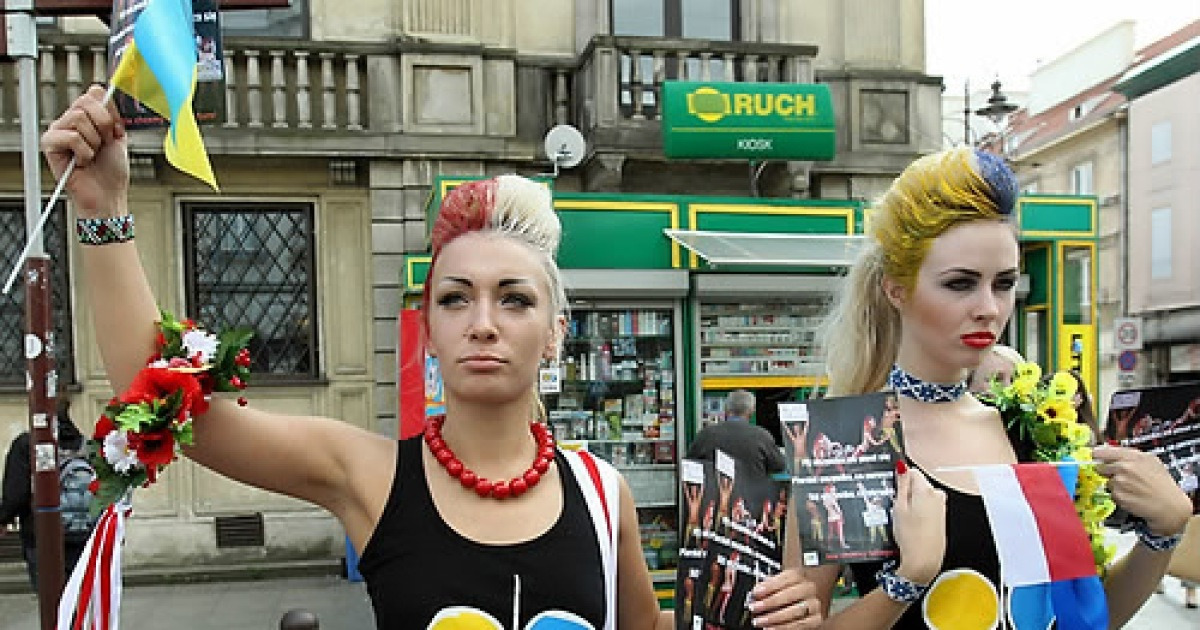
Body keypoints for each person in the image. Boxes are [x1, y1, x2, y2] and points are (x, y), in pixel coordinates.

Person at [42, 86, 823, 629]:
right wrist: (104, 209)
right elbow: (171, 407)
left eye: (514, 299)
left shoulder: (601, 494)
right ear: (430, 327)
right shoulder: (370, 474)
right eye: (456, 298)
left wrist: (771, 612)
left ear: (555, 332)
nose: (484, 322)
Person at [810, 146, 1192, 628]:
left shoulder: (1034, 431)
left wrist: (1164, 532)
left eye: (1004, 283)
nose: (989, 307)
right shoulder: (844, 441)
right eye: (960, 284)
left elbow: (1079, 620)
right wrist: (908, 579)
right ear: (896, 288)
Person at [0, 398, 88, 588]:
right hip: (83, 533)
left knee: (52, 599)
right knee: (77, 597)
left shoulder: (27, 445)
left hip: (41, 533)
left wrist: (4, 518)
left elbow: (16, 493)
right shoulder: (85, 445)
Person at [686, 389, 786, 479]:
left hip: (717, 496)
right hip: (753, 496)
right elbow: (779, 466)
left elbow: (690, 465)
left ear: (726, 408)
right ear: (752, 411)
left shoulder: (706, 435)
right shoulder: (762, 436)